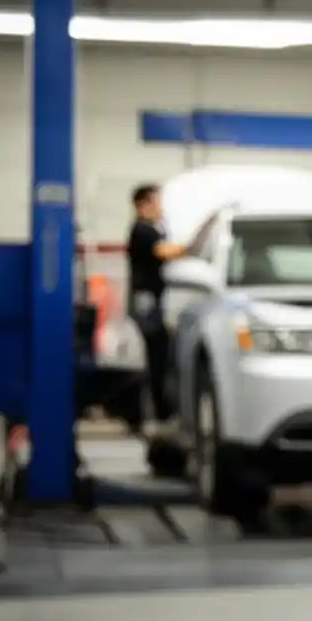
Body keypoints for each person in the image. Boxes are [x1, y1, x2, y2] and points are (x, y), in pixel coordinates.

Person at [126, 184, 186, 438]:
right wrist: (195, 244)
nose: (161, 207)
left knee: (159, 354)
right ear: (144, 205)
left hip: (150, 301)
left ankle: (158, 411)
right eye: (157, 202)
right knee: (157, 356)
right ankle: (159, 413)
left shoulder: (150, 229)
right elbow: (165, 251)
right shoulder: (143, 231)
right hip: (147, 303)